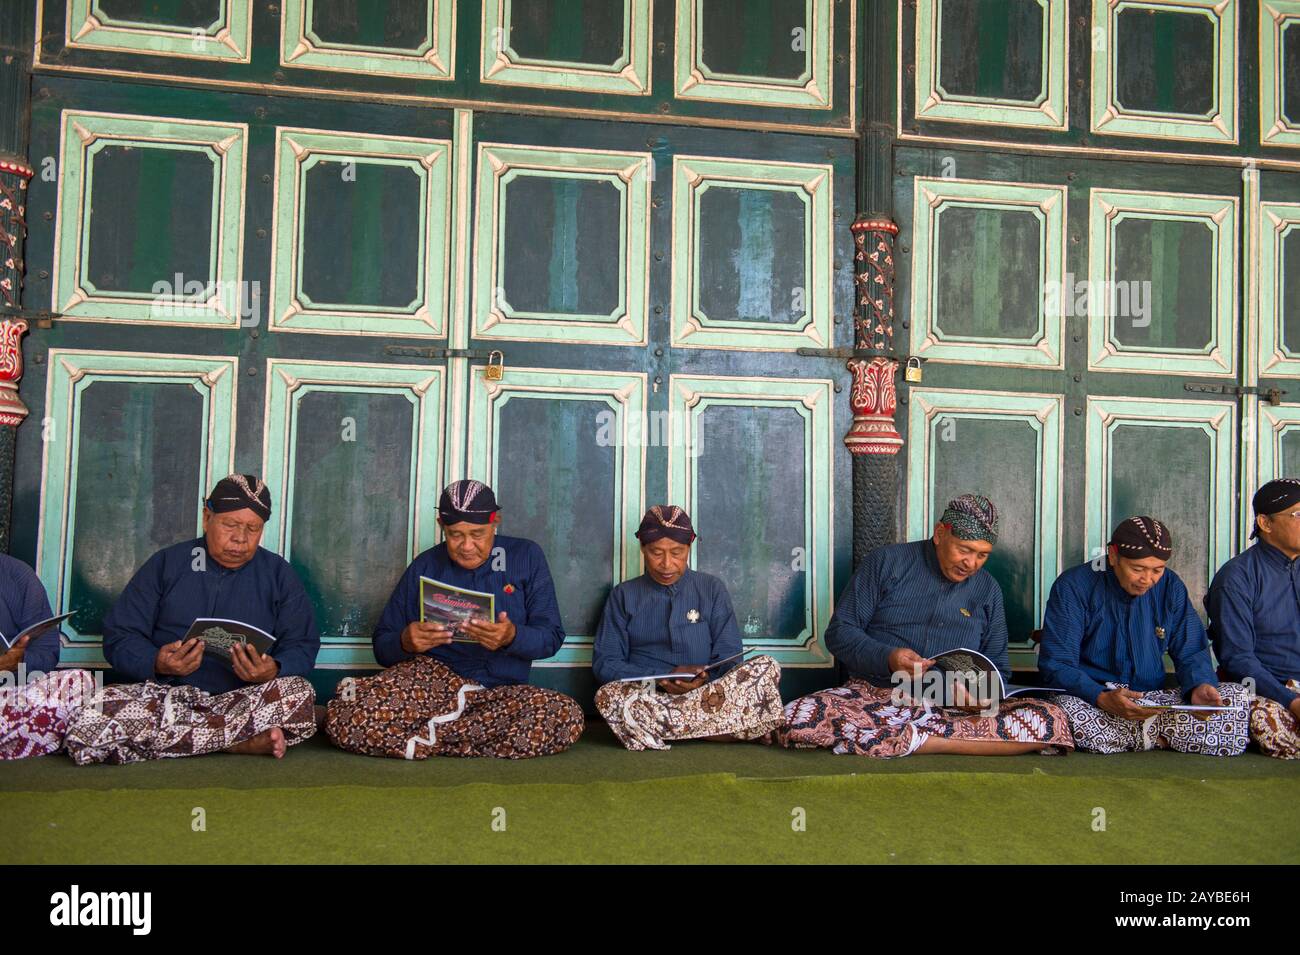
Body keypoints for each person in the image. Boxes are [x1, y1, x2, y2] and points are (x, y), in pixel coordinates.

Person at [774, 494, 1073, 757]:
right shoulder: (887, 562)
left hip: (952, 709)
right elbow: (840, 633)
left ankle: (919, 741)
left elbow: (999, 669)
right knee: (797, 717)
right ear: (940, 533)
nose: (971, 563)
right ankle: (937, 740)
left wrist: (976, 697)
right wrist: (889, 658)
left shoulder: (987, 589)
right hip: (876, 697)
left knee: (1051, 718)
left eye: (982, 555)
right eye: (964, 550)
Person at [64, 475, 319, 764]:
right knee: (96, 718)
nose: (240, 538)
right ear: (207, 517)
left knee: (298, 695)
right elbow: (120, 635)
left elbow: (302, 644)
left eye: (253, 528)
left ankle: (191, 738)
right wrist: (156, 661)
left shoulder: (278, 573)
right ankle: (234, 742)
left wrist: (273, 669)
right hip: (166, 699)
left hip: (242, 701)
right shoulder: (167, 564)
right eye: (231, 525)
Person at [326, 479, 584, 759]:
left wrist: (512, 636)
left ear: (495, 522)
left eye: (478, 534)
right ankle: (460, 739)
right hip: (429, 685)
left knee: (564, 716)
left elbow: (552, 636)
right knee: (347, 718)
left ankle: (426, 737)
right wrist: (405, 641)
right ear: (441, 525)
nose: (467, 546)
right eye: (455, 535)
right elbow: (382, 647)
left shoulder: (526, 557)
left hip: (498, 695)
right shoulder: (426, 565)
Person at [1039, 516, 1247, 755]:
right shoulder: (1074, 586)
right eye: (1137, 569)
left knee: (1237, 698)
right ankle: (1157, 737)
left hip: (1152, 700)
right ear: (1113, 555)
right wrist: (1101, 697)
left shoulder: (1170, 587)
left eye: (1157, 570)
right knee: (1064, 714)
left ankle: (1134, 736)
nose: (1147, 580)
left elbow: (1192, 649)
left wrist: (1200, 686)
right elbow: (1056, 664)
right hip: (1095, 700)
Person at [592, 505, 783, 751]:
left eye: (677, 552)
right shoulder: (623, 595)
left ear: (689, 547)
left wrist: (703, 682)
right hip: (651, 695)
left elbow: (729, 658)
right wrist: (661, 677)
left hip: (709, 695)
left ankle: (678, 729)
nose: (667, 564)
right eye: (656, 553)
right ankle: (722, 730)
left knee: (766, 666)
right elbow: (605, 663)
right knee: (609, 697)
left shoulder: (711, 588)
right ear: (642, 549)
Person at [1206, 479, 1300, 759]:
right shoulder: (1237, 578)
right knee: (1269, 726)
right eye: (1298, 514)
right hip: (1270, 692)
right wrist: (1292, 701)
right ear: (1265, 523)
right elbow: (1237, 659)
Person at [0, 554, 94, 759]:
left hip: (6, 696)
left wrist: (17, 662)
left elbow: (47, 652)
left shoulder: (16, 574)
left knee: (78, 682)